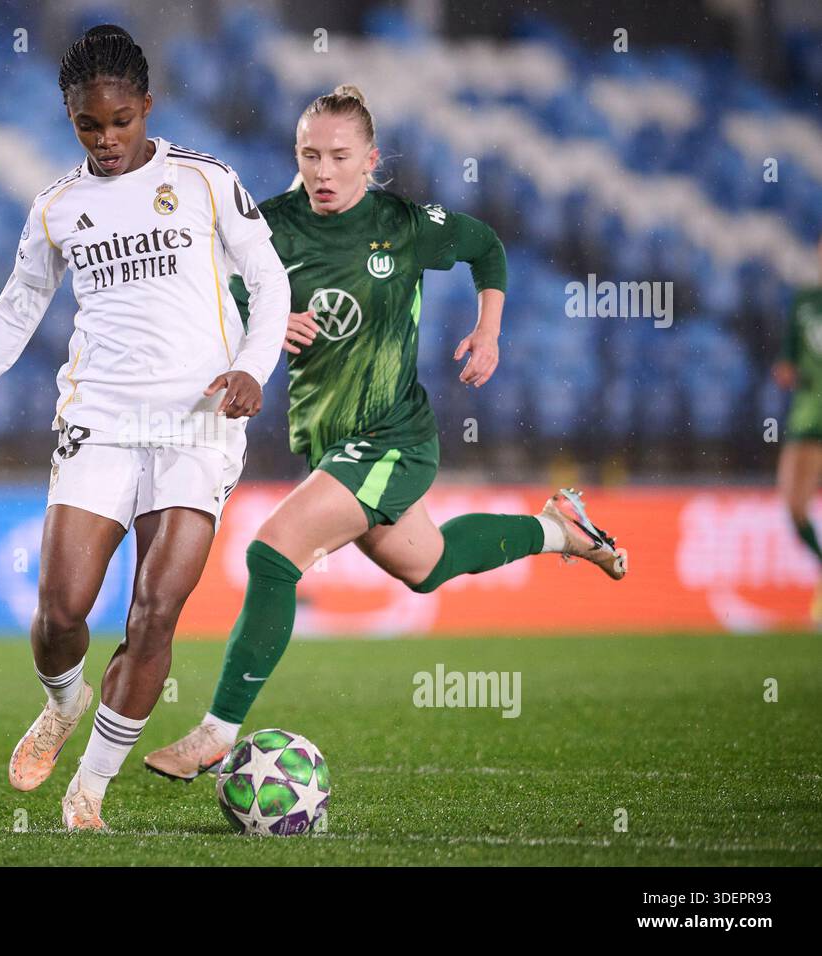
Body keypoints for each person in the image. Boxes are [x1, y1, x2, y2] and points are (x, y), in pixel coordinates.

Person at [144, 85, 627, 781]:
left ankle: (215, 733)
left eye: (340, 156)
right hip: (327, 442)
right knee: (424, 565)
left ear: (370, 160)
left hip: (391, 435)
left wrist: (489, 330)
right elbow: (218, 293)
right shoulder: (269, 226)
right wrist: (267, 325)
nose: (323, 170)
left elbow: (487, 247)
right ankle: (560, 529)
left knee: (273, 554)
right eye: (310, 155)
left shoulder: (404, 225)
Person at [0, 25, 289, 829]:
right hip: (101, 418)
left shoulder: (207, 180)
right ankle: (63, 702)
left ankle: (91, 792)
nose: (106, 139)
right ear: (69, 116)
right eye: (88, 124)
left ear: (147, 106)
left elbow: (270, 279)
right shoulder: (58, 208)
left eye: (120, 120)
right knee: (60, 612)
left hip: (199, 419)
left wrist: (253, 367)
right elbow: (13, 316)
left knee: (154, 612)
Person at [771, 237, 822, 623]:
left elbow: (789, 369)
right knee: (793, 504)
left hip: (810, 418)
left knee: (795, 504)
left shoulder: (806, 303)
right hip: (807, 419)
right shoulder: (804, 301)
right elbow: (786, 368)